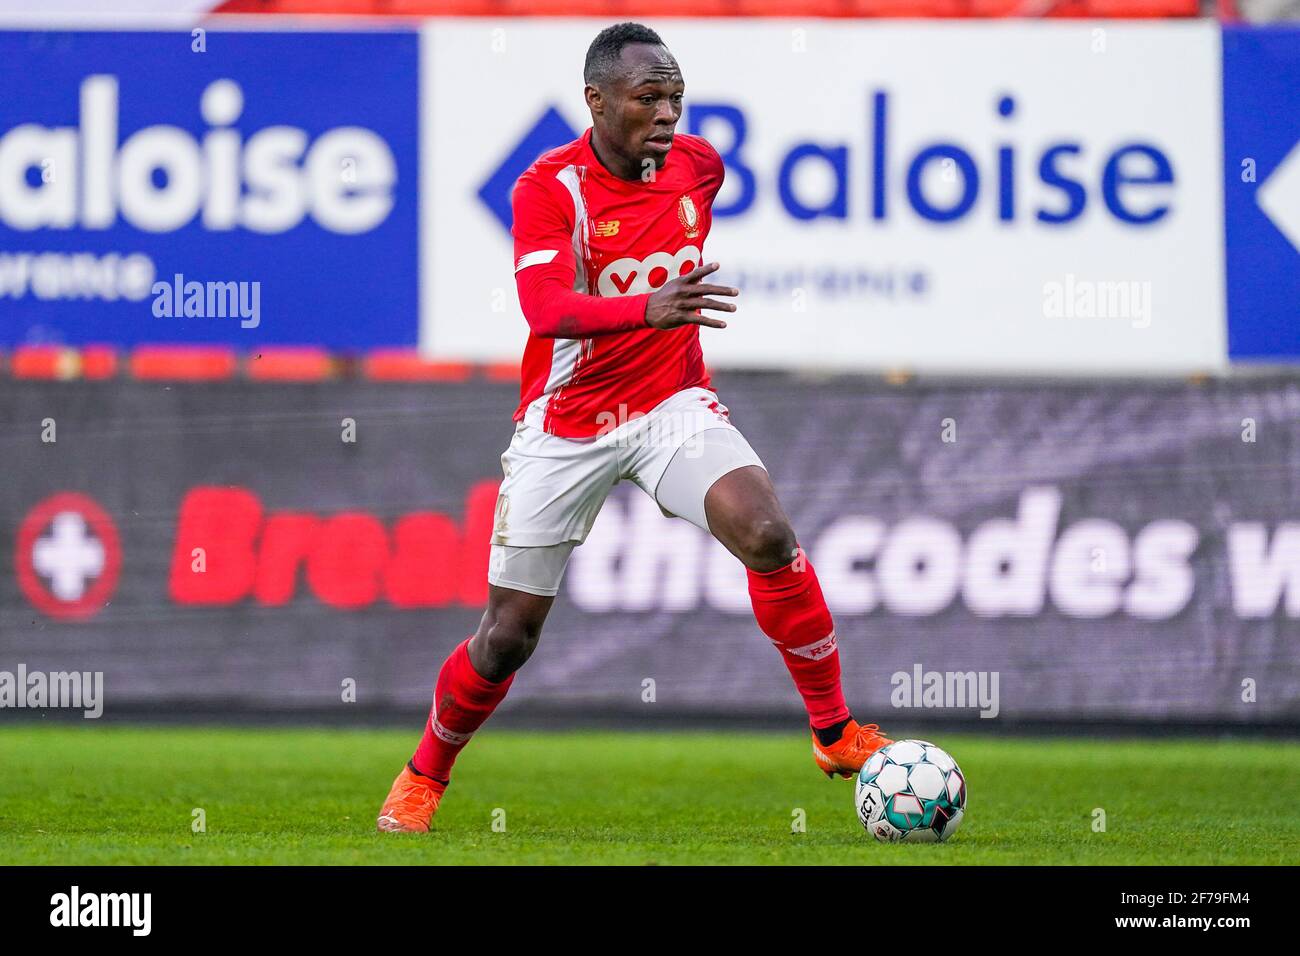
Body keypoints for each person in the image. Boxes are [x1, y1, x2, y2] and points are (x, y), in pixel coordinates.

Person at [378, 22, 890, 833]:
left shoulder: (699, 168)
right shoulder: (550, 189)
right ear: (596, 101)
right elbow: (544, 311)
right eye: (647, 97)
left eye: (676, 97)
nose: (666, 114)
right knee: (508, 637)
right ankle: (422, 776)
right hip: (567, 423)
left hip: (669, 404)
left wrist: (664, 330)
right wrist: (646, 308)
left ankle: (834, 731)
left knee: (766, 534)